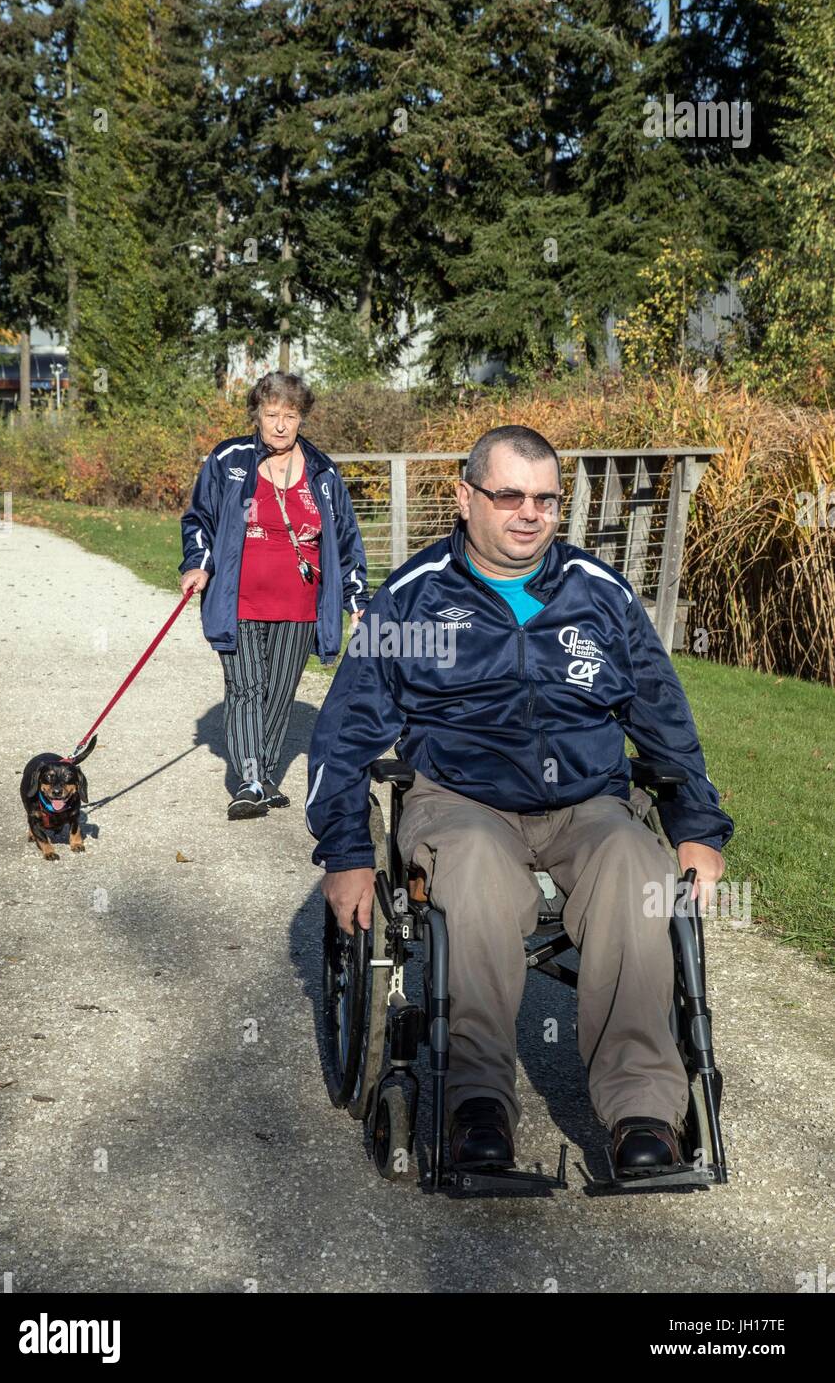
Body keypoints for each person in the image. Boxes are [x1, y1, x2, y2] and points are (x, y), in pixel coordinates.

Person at [306, 424, 733, 1172]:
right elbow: (343, 738)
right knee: (471, 869)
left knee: (640, 867)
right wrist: (345, 852)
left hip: (588, 803)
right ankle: (477, 1103)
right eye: (509, 496)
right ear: (467, 498)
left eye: (545, 498)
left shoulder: (598, 595)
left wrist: (695, 824)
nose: (528, 513)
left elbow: (665, 718)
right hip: (462, 801)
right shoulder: (412, 604)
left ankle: (642, 1110)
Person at [180, 371, 368, 820]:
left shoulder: (322, 471)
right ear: (257, 416)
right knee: (245, 689)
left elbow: (345, 539)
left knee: (278, 693)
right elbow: (199, 520)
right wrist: (197, 565)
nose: (281, 425)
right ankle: (249, 780)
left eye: (290, 415)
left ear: (301, 418)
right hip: (238, 601)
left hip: (300, 607)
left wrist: (357, 600)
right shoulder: (229, 459)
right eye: (271, 414)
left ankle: (263, 778)